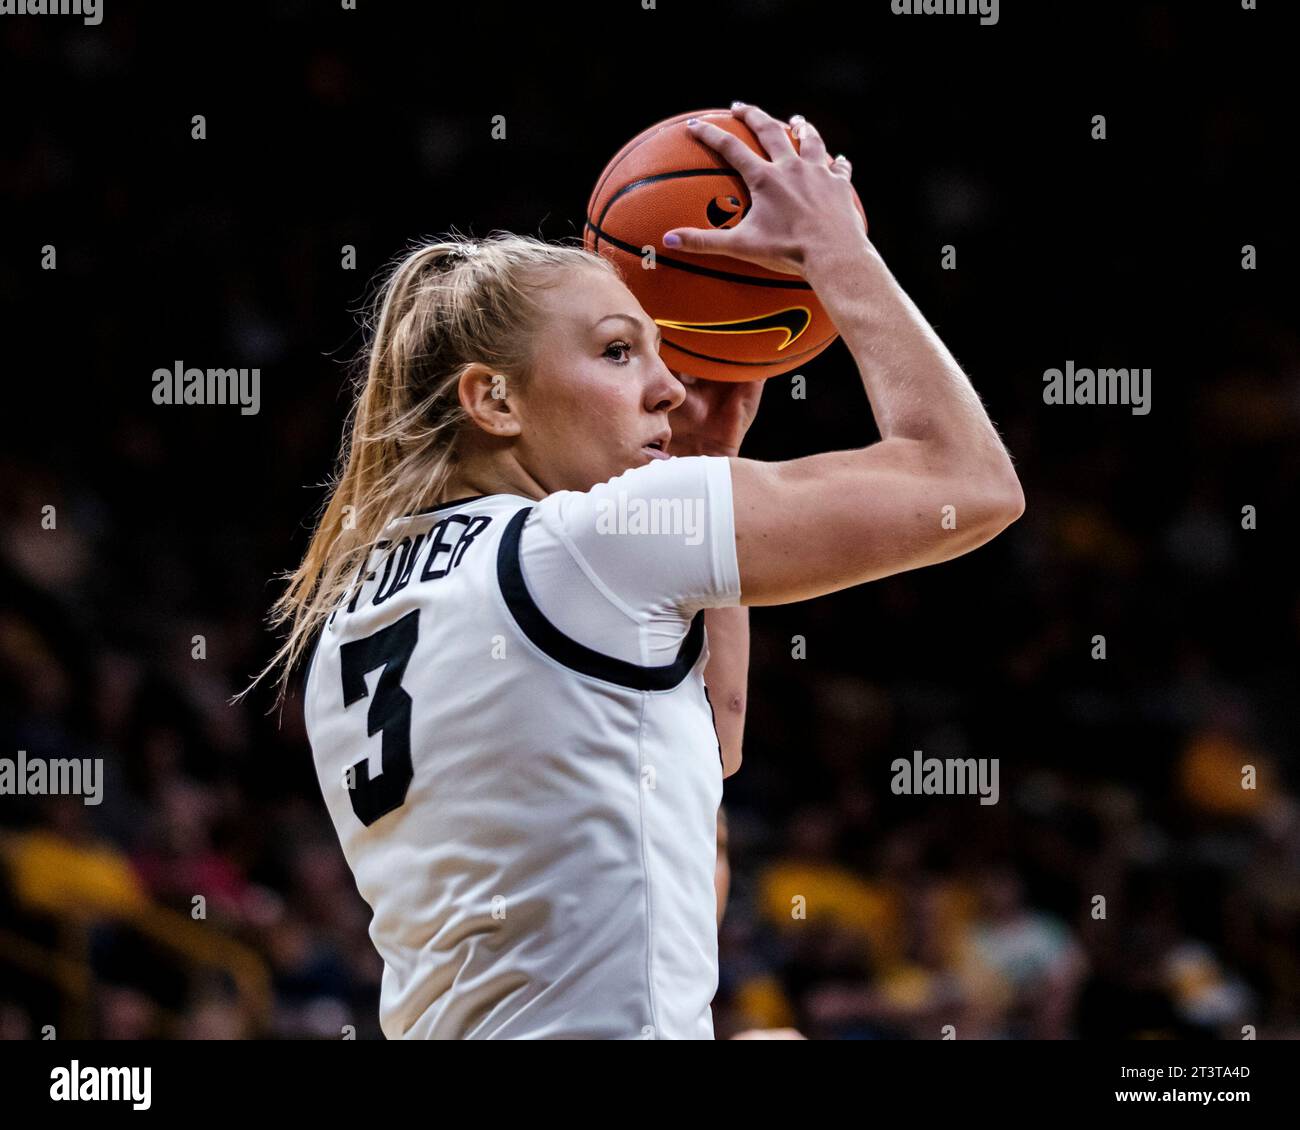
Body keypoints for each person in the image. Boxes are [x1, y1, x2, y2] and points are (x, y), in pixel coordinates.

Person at [257, 102, 1024, 1039]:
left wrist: (707, 456)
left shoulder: (354, 608)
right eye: (621, 351)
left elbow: (710, 755)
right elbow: (970, 484)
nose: (668, 386)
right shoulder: (587, 544)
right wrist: (838, 251)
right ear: (493, 399)